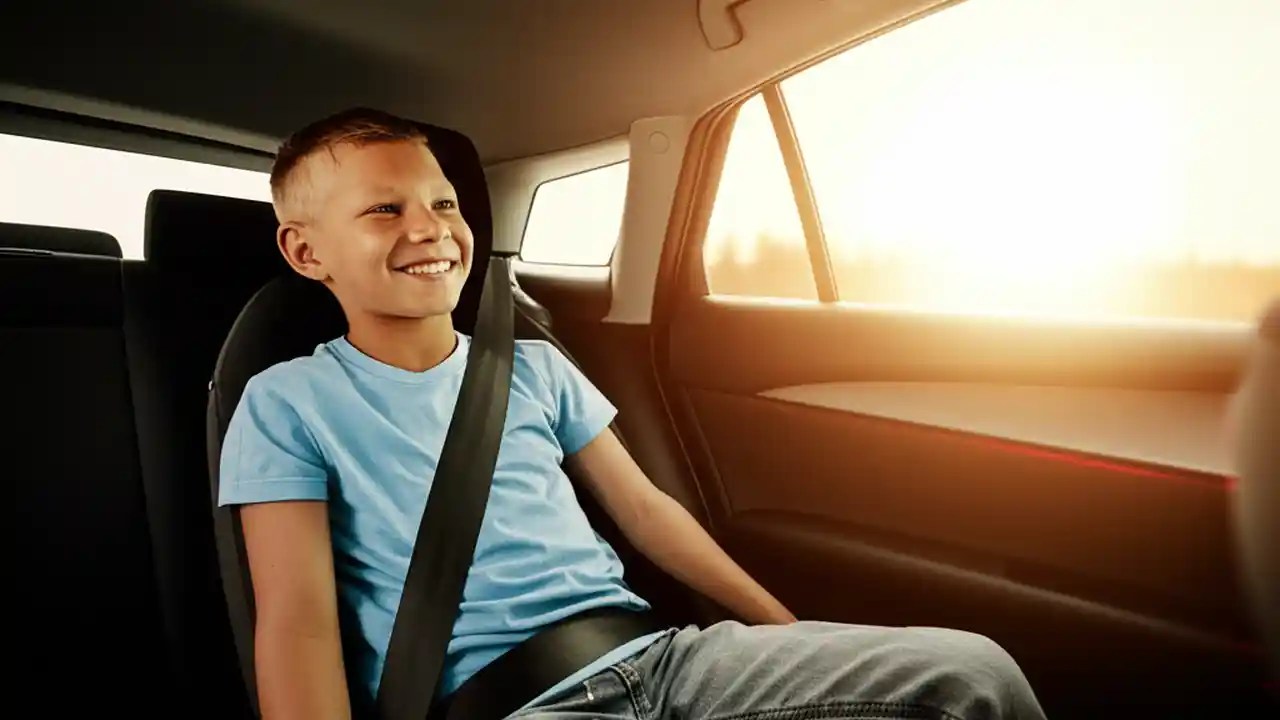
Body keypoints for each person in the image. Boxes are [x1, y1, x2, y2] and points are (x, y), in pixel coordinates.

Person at [219, 107, 1047, 720]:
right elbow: (297, 621)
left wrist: (781, 631)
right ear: (306, 251)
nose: (430, 229)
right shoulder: (286, 401)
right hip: (514, 702)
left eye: (443, 205)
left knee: (973, 675)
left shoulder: (532, 367)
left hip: (666, 660)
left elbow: (648, 513)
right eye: (383, 209)